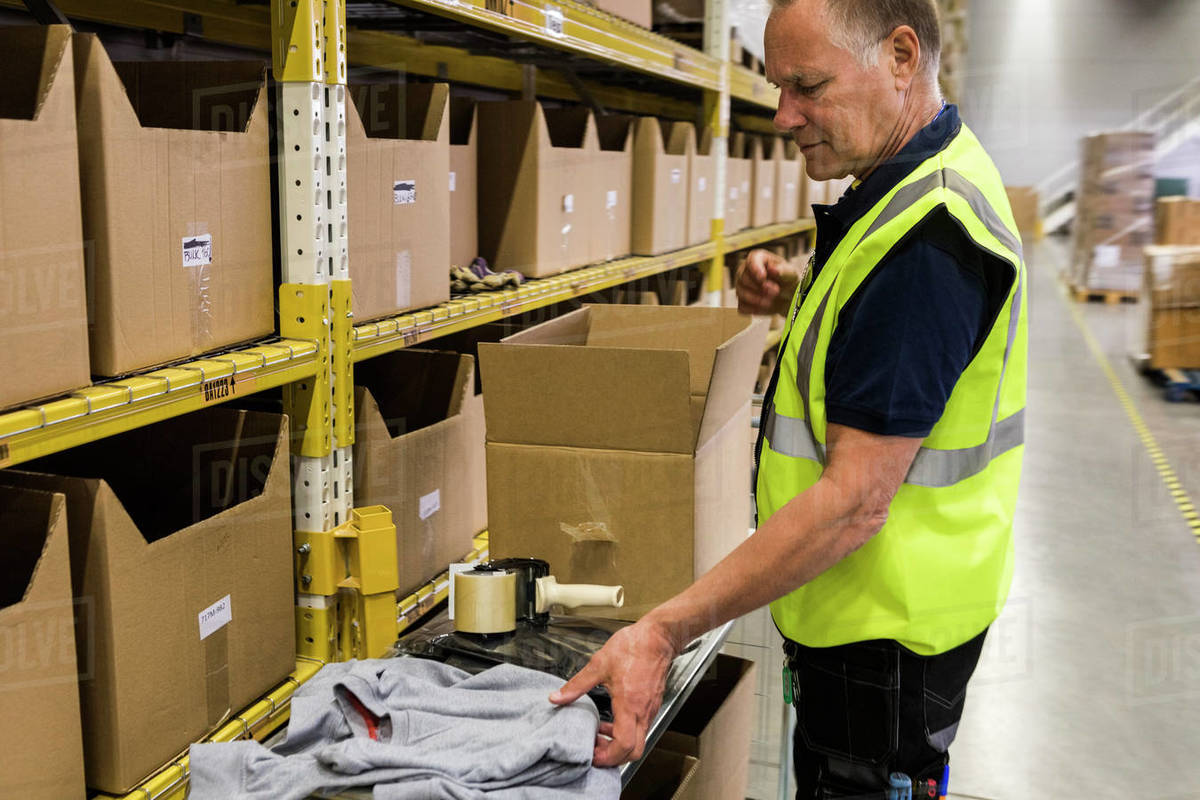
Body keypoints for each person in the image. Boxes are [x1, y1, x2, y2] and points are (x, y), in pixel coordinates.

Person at [550, 0, 1027, 796]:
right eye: (779, 87)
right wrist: (795, 297)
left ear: (901, 57)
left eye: (807, 86)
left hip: (884, 646)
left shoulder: (927, 240)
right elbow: (890, 342)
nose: (783, 115)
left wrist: (663, 631)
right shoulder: (914, 181)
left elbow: (854, 503)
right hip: (876, 619)